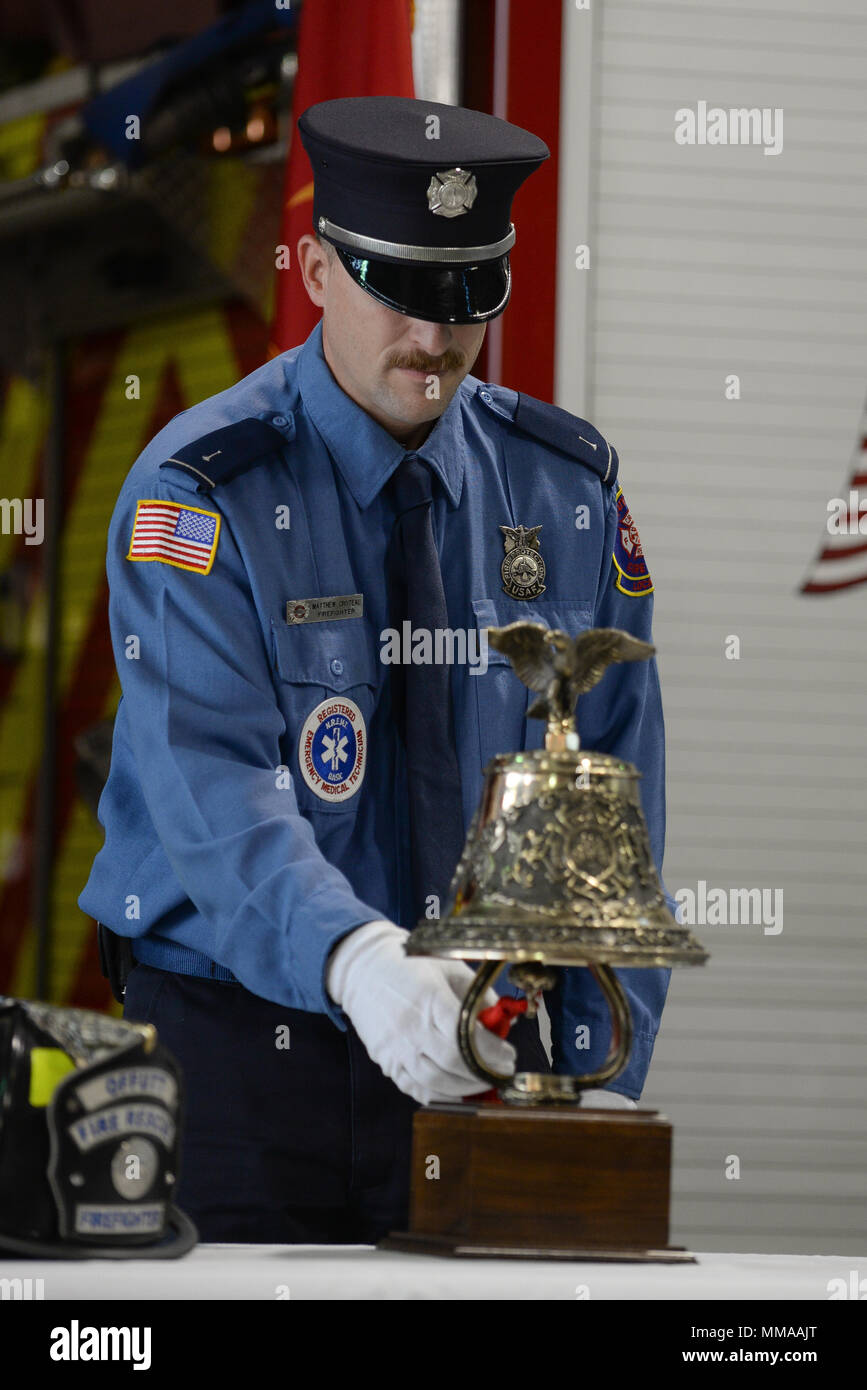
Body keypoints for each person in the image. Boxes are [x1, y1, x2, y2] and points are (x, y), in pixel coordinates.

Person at [79, 96, 675, 1244]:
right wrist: (352, 958)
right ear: (311, 268)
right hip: (246, 1051)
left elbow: (620, 787)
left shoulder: (566, 491)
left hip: (495, 1051)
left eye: (468, 295)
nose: (433, 338)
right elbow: (209, 781)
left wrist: (601, 1058)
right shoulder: (200, 492)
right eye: (397, 287)